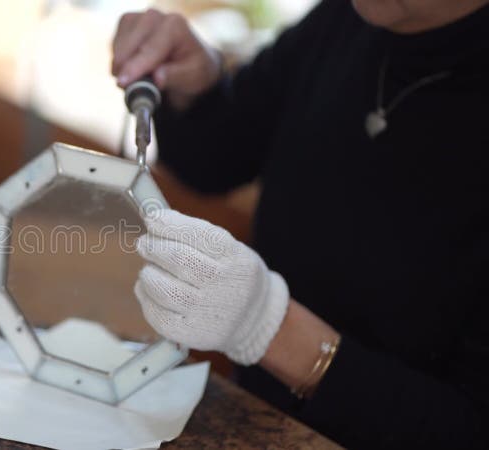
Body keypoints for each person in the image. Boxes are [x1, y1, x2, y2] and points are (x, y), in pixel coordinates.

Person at [112, 1, 489, 448]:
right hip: (253, 419)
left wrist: (268, 326)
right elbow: (218, 158)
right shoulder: (351, 16)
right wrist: (196, 84)